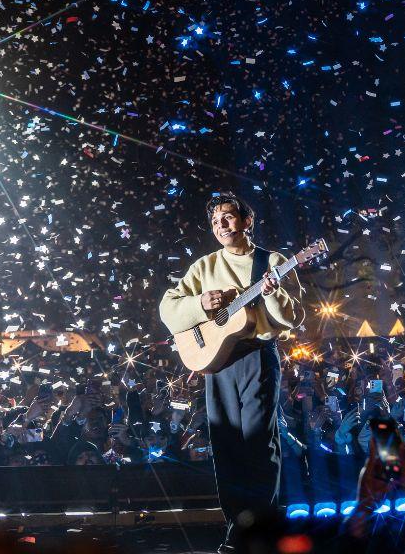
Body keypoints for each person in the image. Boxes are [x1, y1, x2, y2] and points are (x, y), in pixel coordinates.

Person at [159, 193, 304, 553]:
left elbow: (292, 318)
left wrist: (271, 294)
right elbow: (168, 309)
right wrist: (199, 303)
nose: (221, 225)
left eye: (227, 217)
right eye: (215, 221)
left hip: (257, 356)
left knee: (258, 441)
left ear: (246, 221)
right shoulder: (204, 266)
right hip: (218, 361)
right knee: (225, 446)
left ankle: (261, 527)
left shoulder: (272, 262)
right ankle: (235, 530)